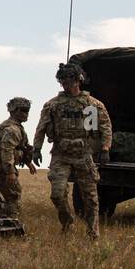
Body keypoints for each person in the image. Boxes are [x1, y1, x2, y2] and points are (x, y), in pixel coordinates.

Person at [32, 63, 112, 238]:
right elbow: (41, 127)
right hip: (61, 154)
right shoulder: (53, 105)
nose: (65, 83)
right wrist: (36, 149)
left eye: (69, 79)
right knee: (57, 194)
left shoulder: (92, 104)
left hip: (83, 155)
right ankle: (67, 221)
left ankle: (93, 232)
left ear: (78, 80)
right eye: (62, 80)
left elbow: (105, 127)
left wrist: (105, 148)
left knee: (90, 198)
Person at [0, 97, 36, 219]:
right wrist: (10, 172)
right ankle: (10, 222)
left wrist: (28, 163)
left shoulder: (13, 127)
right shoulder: (12, 129)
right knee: (12, 194)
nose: (26, 114)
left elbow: (22, 147)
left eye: (28, 110)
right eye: (23, 110)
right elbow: (7, 151)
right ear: (13, 111)